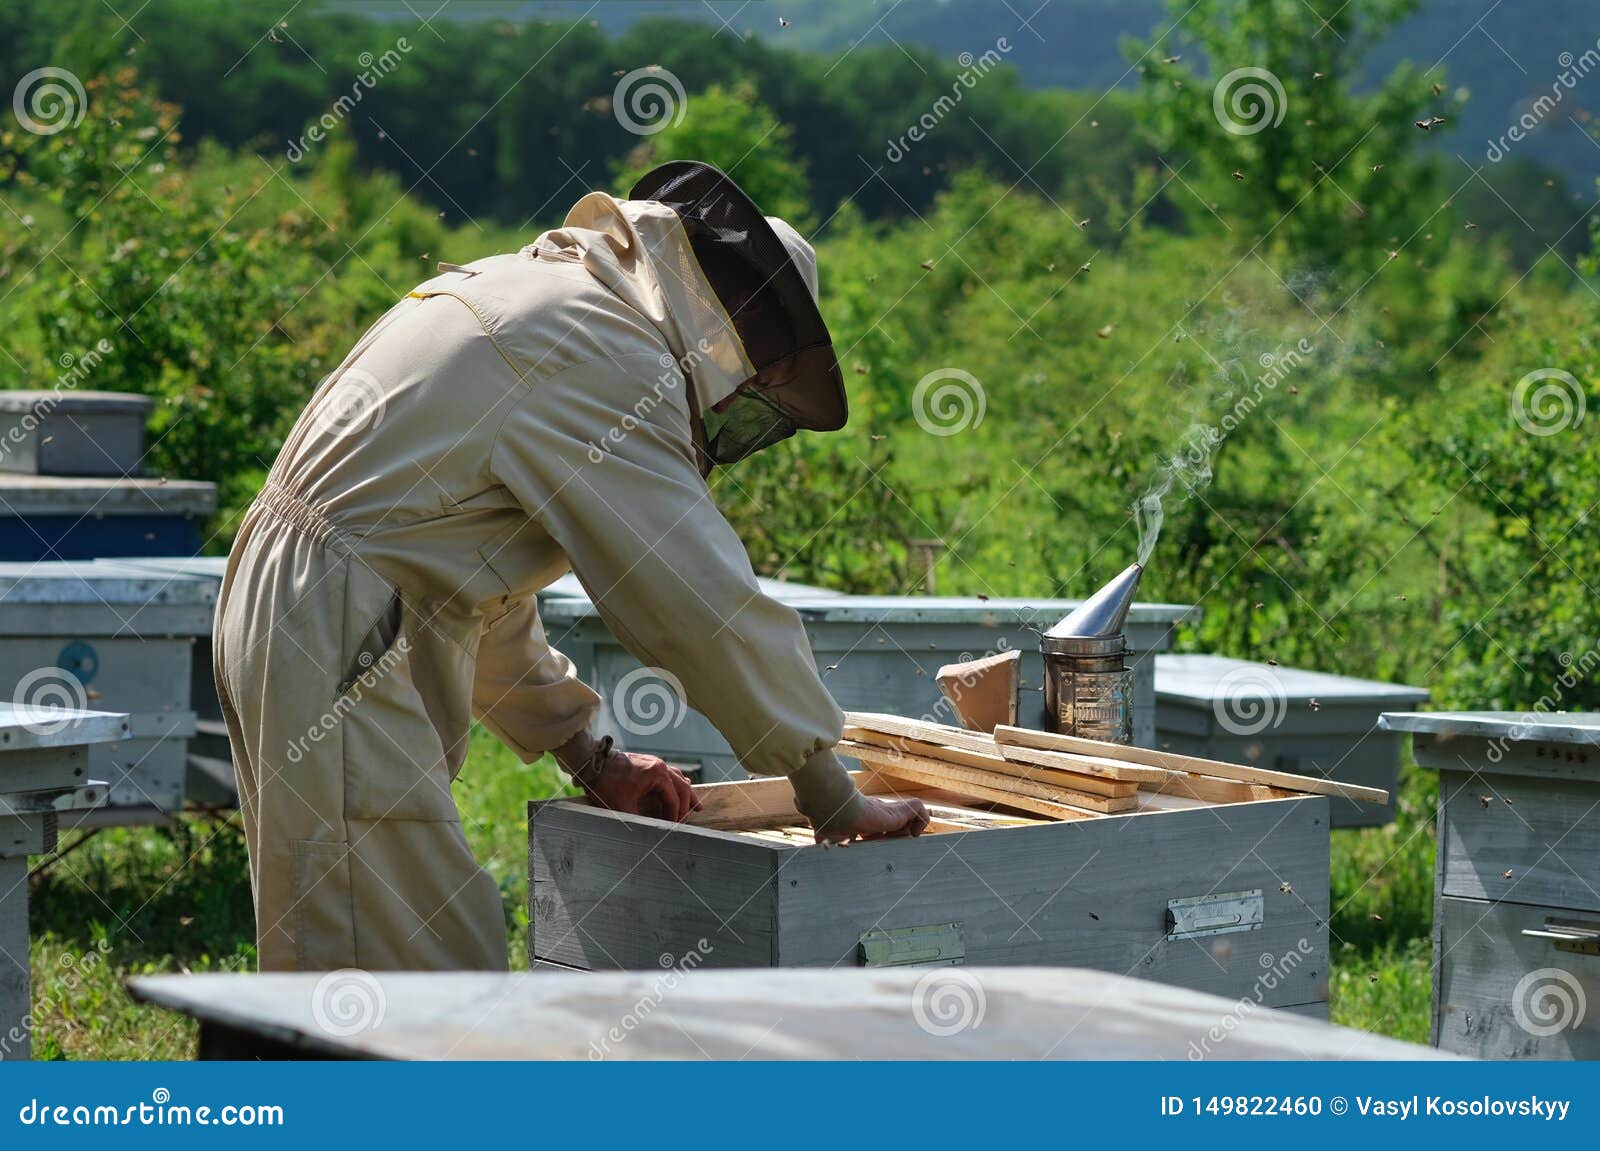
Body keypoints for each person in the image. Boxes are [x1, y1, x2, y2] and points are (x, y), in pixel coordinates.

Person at [213, 160, 930, 973]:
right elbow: (701, 605)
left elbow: (470, 581)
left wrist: (591, 757)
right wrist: (830, 793)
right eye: (760, 360)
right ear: (728, 308)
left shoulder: (548, 300)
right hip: (335, 622)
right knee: (410, 975)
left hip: (306, 602)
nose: (741, 396)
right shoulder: (603, 348)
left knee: (346, 949)